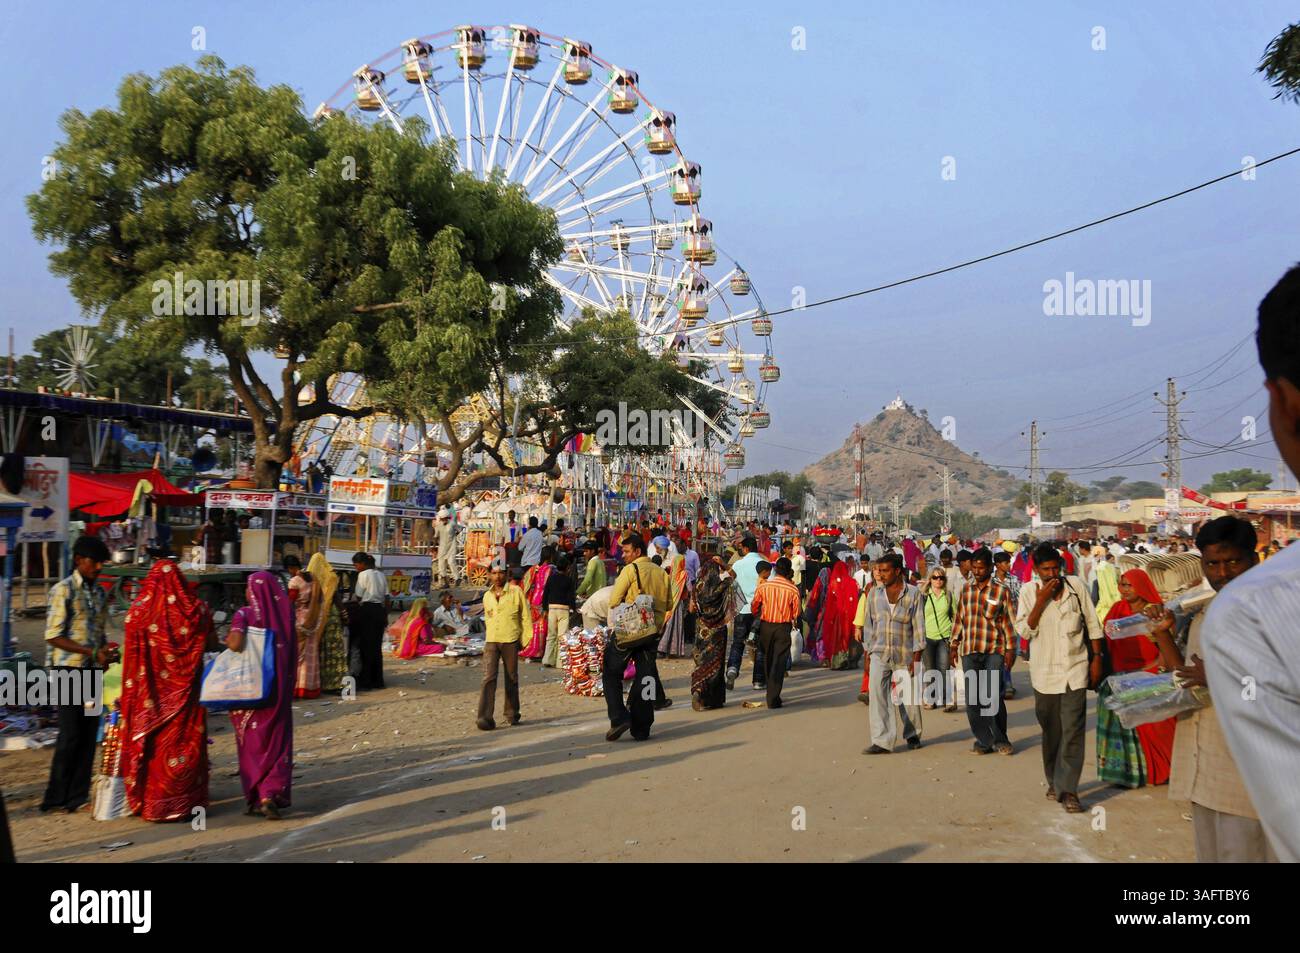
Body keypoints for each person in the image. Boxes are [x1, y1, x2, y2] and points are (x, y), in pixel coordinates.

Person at [1148, 516, 1275, 862]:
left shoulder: (1273, 615)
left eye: (1233, 561)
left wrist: (1219, 680)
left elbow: (1279, 693)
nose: (1223, 573)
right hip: (1204, 762)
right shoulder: (1209, 611)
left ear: (1254, 559)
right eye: (1213, 564)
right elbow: (1188, 676)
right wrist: (1162, 634)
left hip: (1248, 773)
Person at [119, 559, 215, 822]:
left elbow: (131, 652)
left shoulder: (138, 612)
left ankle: (155, 805)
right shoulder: (196, 611)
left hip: (150, 699)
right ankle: (187, 804)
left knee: (155, 750)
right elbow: (212, 641)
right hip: (187, 698)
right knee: (186, 744)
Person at [1015, 543, 1103, 813]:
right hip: (1044, 673)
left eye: (1055, 568)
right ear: (1037, 570)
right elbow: (1024, 631)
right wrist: (1041, 601)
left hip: (1075, 669)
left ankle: (1070, 790)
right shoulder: (1029, 591)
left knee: (1073, 730)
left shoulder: (1076, 587)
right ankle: (1054, 779)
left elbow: (1091, 623)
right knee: (1052, 730)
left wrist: (1097, 659)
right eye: (1046, 569)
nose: (1052, 573)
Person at [40, 536, 115, 814]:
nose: (98, 567)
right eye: (94, 562)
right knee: (70, 734)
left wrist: (105, 652)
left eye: (100, 562)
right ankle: (55, 798)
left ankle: (77, 796)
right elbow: (53, 635)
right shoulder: (64, 590)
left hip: (92, 671)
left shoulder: (98, 592)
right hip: (68, 669)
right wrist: (90, 652)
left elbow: (99, 632)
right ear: (78, 561)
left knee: (87, 736)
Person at [1096, 569, 1178, 788]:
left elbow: (1165, 649)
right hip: (1120, 672)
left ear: (1141, 586)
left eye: (1129, 585)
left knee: (1157, 724)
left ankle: (1163, 769)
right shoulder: (1117, 610)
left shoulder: (1155, 612)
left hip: (1150, 673)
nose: (1124, 589)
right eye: (1122, 584)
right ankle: (1127, 774)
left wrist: (1147, 673)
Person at [227, 571, 297, 819]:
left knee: (252, 742)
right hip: (277, 690)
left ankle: (258, 795)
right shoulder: (286, 616)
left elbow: (235, 644)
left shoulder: (244, 614)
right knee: (277, 741)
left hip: (250, 690)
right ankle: (270, 793)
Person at [854, 553, 925, 754]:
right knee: (878, 697)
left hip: (905, 654)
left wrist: (916, 658)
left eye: (885, 571)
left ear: (897, 571)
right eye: (879, 571)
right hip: (879, 653)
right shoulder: (874, 594)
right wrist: (867, 656)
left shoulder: (913, 594)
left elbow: (919, 627)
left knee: (907, 698)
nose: (881, 575)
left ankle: (913, 735)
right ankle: (882, 741)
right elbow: (869, 626)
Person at [950, 548, 1017, 755]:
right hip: (970, 649)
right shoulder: (966, 590)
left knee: (992, 696)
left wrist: (1011, 649)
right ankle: (983, 740)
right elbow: (959, 619)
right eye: (974, 568)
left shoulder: (1001, 591)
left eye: (981, 568)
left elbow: (1009, 623)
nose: (977, 572)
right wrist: (953, 644)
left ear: (990, 567)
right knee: (972, 699)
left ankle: (1001, 739)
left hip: (994, 649)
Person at [603, 535, 671, 741]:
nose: (623, 555)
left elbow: (614, 600)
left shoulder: (630, 570)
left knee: (611, 671)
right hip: (653, 632)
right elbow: (668, 604)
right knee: (647, 676)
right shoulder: (661, 573)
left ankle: (619, 717)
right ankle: (643, 726)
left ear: (638, 552)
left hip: (631, 629)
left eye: (626, 551)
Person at [477, 566, 530, 730]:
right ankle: (485, 717)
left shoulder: (516, 592)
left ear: (506, 575)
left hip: (511, 639)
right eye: (494, 573)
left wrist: (525, 638)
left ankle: (512, 713)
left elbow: (525, 616)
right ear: (489, 575)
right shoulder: (487, 596)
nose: (497, 576)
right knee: (488, 678)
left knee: (511, 677)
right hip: (492, 639)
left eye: (500, 573)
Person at [750, 557, 802, 708]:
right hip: (782, 628)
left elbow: (755, 605)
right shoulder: (793, 589)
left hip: (766, 627)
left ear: (775, 569)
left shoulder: (764, 586)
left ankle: (771, 693)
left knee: (768, 659)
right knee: (779, 662)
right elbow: (796, 612)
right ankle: (773, 696)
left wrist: (759, 613)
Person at [691, 556, 738, 711]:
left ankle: (698, 691)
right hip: (718, 630)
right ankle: (713, 699)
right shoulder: (721, 586)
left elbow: (691, 609)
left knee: (702, 661)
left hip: (701, 630)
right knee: (715, 665)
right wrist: (723, 565)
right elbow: (733, 575)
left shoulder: (697, 586)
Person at [725, 536, 765, 691]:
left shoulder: (738, 565)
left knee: (738, 643)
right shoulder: (764, 565)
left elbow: (730, 584)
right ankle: (758, 681)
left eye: (741, 547)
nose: (740, 550)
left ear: (747, 548)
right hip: (759, 612)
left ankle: (732, 669)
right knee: (759, 645)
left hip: (741, 611)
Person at [805, 556, 860, 669]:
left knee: (835, 637)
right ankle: (849, 660)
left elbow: (828, 601)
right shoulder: (852, 582)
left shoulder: (833, 583)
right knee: (847, 636)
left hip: (834, 616)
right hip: (849, 616)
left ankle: (835, 661)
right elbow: (855, 600)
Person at [306, 553, 348, 692]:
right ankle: (336, 683)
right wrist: (344, 614)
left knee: (320, 649)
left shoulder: (310, 579)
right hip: (332, 616)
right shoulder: (331, 578)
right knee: (334, 650)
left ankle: (322, 683)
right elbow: (336, 598)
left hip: (317, 617)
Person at [347, 552, 388, 691]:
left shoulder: (363, 575)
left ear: (363, 563)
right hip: (379, 612)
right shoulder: (381, 575)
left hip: (367, 611)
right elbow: (387, 597)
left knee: (366, 646)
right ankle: (378, 680)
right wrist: (385, 615)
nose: (356, 567)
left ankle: (366, 681)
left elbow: (358, 596)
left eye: (356, 564)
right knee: (376, 647)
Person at [921, 566, 956, 712]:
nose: (938, 580)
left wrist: (954, 636)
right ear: (930, 580)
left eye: (941, 577)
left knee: (944, 669)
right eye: (935, 577)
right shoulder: (923, 596)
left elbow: (955, 616)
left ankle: (947, 700)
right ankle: (931, 699)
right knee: (930, 670)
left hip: (944, 637)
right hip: (927, 637)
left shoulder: (948, 595)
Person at [283, 555, 318, 699]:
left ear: (290, 568)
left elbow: (289, 602)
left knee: (297, 656)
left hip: (299, 618)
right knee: (309, 654)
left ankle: (297, 688)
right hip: (311, 617)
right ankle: (309, 687)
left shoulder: (294, 581)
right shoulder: (310, 578)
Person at [519, 546, 556, 662]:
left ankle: (532, 649)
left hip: (534, 598)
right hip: (544, 598)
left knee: (535, 626)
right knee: (543, 626)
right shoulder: (551, 569)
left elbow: (526, 583)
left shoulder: (536, 568)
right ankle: (539, 651)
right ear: (550, 556)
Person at [541, 553, 577, 667]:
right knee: (562, 636)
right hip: (564, 609)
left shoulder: (551, 578)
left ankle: (547, 659)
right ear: (567, 568)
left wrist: (545, 608)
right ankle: (560, 662)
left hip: (552, 608)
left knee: (551, 635)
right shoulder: (569, 580)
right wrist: (573, 609)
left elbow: (545, 593)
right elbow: (571, 596)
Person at [657, 548, 690, 658]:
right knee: (676, 626)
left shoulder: (670, 574)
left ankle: (661, 648)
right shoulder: (684, 574)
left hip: (669, 603)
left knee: (668, 625)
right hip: (678, 604)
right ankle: (672, 650)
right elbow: (688, 588)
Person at [434, 507, 458, 586]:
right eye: (442, 518)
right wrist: (434, 546)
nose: (443, 520)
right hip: (442, 547)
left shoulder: (452, 524)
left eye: (445, 518)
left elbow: (459, 530)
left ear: (447, 518)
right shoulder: (438, 525)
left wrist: (454, 537)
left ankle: (457, 578)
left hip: (452, 546)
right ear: (440, 518)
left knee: (451, 562)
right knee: (441, 564)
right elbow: (436, 536)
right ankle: (444, 581)